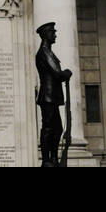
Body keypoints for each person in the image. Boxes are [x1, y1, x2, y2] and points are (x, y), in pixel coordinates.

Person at [35, 21, 72, 167]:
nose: (55, 34)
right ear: (46, 35)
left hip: (52, 97)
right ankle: (46, 160)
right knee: (49, 128)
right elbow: (57, 74)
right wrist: (67, 73)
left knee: (57, 129)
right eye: (52, 32)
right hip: (48, 97)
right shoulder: (44, 52)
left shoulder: (48, 51)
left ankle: (53, 158)